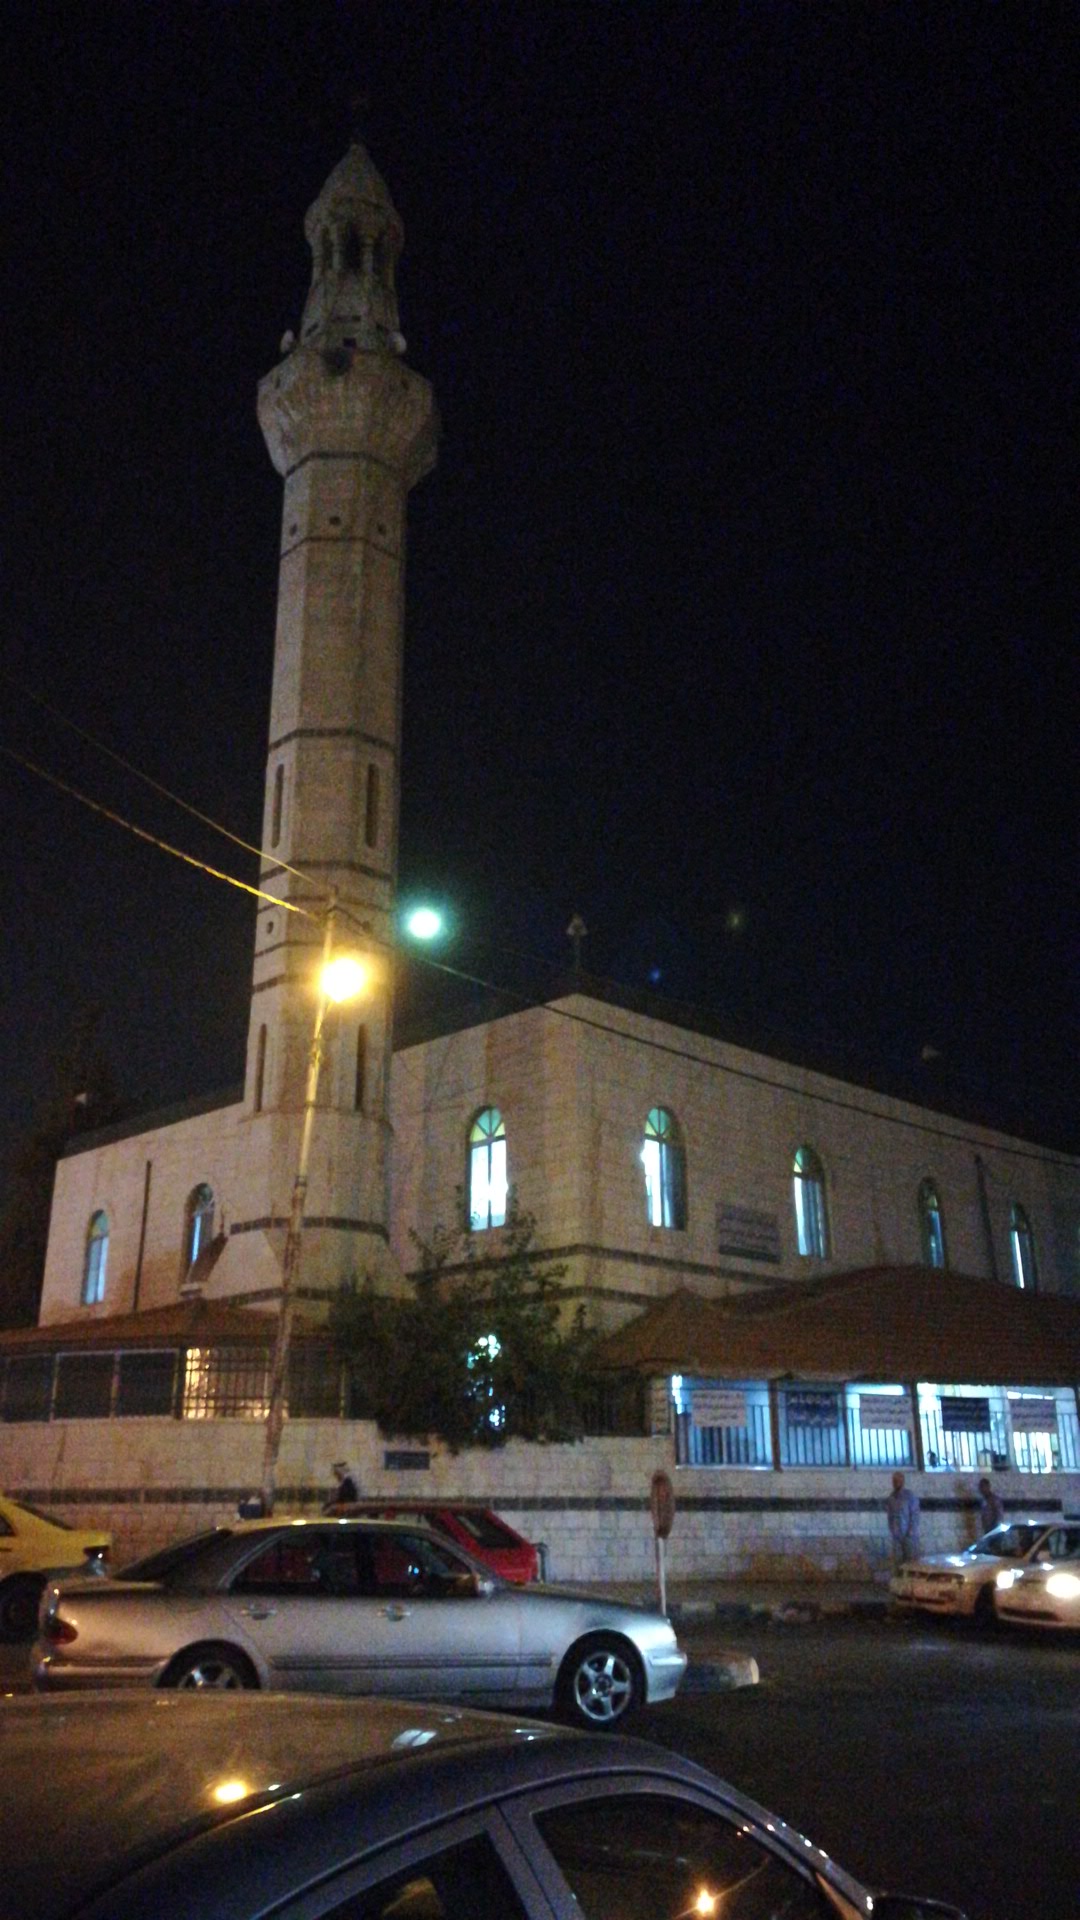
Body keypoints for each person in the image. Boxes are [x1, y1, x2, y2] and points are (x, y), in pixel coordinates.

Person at [885, 1471, 920, 1566]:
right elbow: (890, 1516)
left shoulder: (909, 1496)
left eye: (899, 1480)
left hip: (909, 1536)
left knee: (910, 1562)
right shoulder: (891, 1498)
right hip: (897, 1536)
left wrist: (910, 1532)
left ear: (903, 1481)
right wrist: (892, 1530)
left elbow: (914, 1515)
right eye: (894, 1481)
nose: (896, 1483)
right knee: (898, 1563)